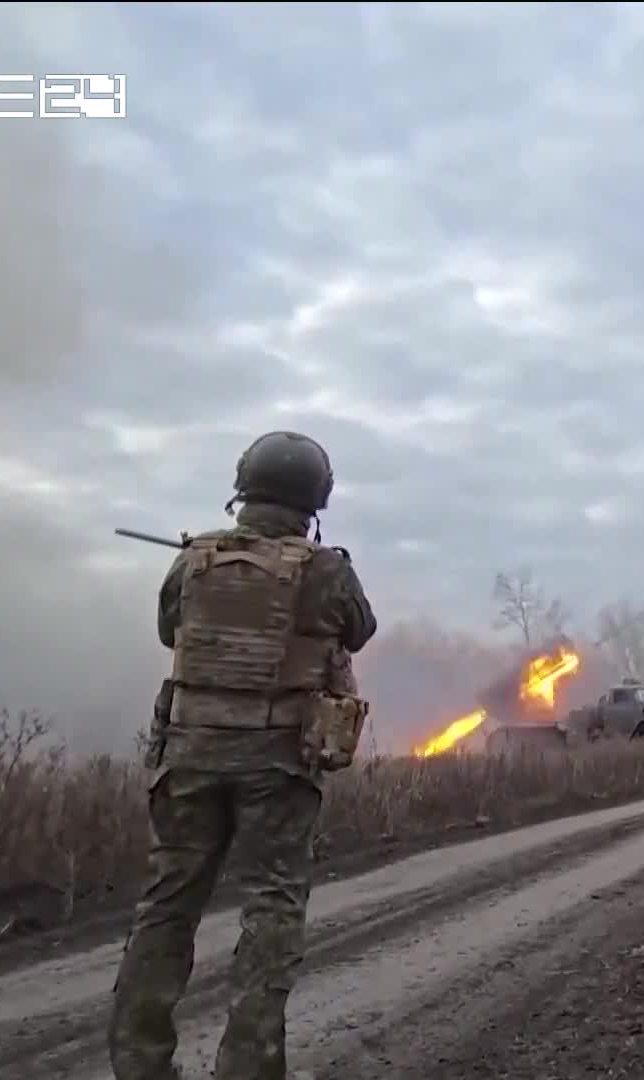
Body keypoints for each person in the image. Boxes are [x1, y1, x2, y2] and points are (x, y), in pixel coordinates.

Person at [109, 431, 378, 1080]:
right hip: (278, 766)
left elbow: (170, 629)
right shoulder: (326, 570)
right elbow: (360, 631)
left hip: (189, 757)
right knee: (272, 907)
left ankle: (141, 1066)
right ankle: (249, 1069)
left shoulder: (194, 561)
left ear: (243, 487)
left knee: (168, 907)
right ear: (316, 498)